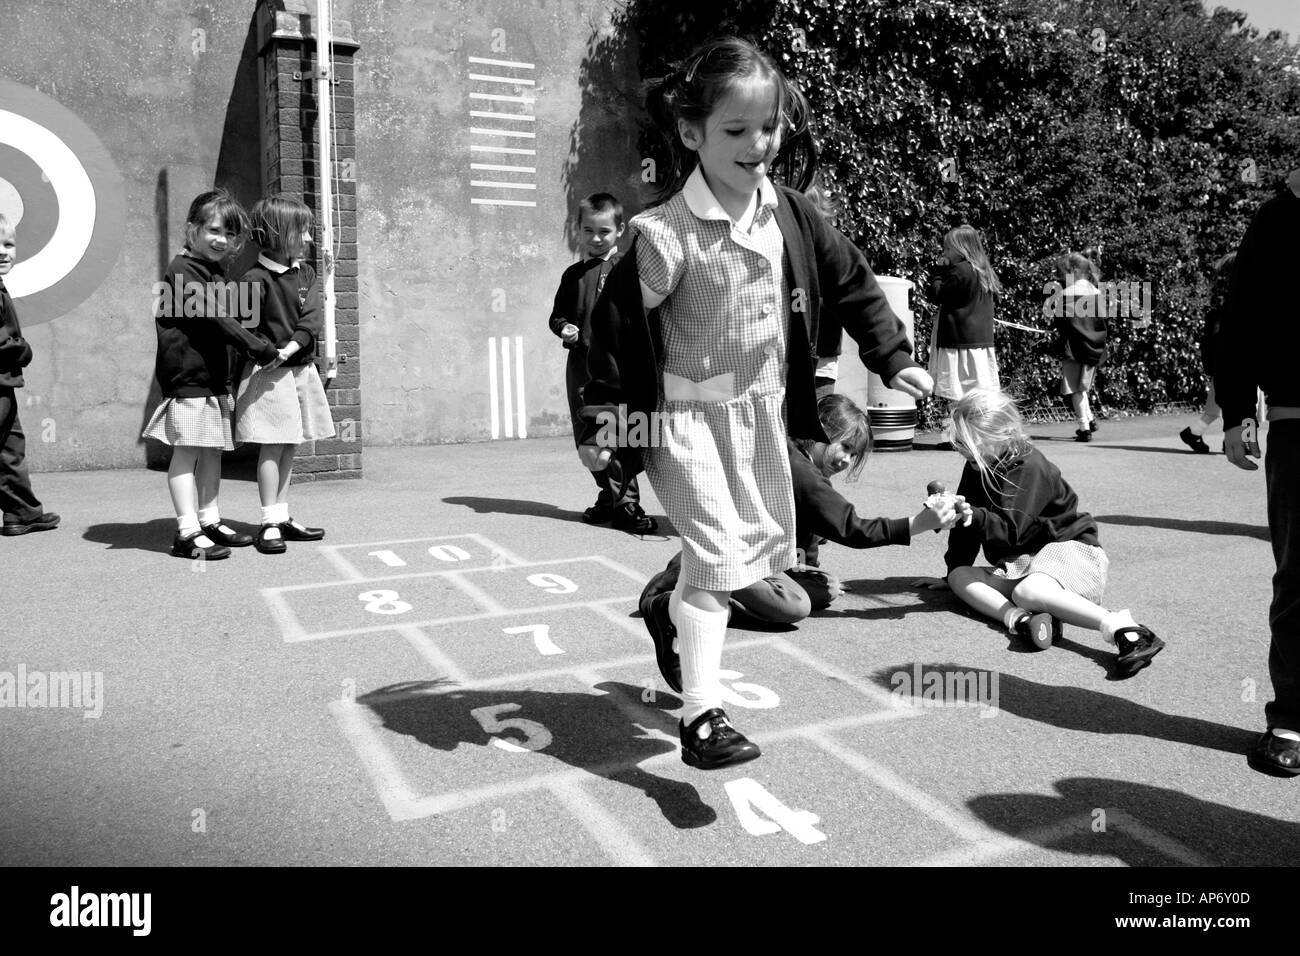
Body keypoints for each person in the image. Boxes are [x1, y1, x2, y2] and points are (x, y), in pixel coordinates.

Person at [580, 37, 933, 770]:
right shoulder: (663, 235)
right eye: (735, 131)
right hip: (684, 424)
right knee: (715, 561)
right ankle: (703, 716)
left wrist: (892, 356)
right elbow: (613, 328)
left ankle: (665, 613)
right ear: (691, 134)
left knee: (739, 557)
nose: (756, 145)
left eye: (766, 128)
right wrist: (604, 419)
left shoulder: (793, 216)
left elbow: (853, 283)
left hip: (761, 419)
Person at [638, 393, 966, 637]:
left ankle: (707, 583)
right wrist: (918, 524)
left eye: (854, 455)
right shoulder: (803, 473)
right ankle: (694, 578)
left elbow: (812, 536)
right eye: (845, 447)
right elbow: (854, 529)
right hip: (739, 550)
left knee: (826, 588)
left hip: (748, 547)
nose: (847, 461)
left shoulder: (794, 454)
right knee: (795, 605)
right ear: (820, 429)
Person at [925, 388, 1164, 676]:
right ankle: (1024, 621)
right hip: (1025, 561)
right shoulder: (978, 462)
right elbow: (969, 528)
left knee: (1028, 590)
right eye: (961, 442)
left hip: (1071, 550)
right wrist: (953, 566)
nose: (962, 449)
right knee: (959, 577)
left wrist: (970, 515)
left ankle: (1125, 629)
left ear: (1005, 433)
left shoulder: (1029, 465)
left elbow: (1010, 530)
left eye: (970, 441)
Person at [1215, 167, 1300, 777]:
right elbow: (1238, 322)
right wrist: (1238, 412)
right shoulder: (1275, 220)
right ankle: (1293, 719)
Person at [142, 190, 281, 559]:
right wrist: (259, 347)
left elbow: (234, 319)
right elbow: (217, 320)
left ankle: (209, 520)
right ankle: (186, 532)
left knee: (212, 452)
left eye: (231, 234)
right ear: (192, 230)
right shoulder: (182, 270)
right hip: (188, 380)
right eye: (214, 230)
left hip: (214, 380)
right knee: (187, 453)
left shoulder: (215, 271)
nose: (222, 240)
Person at [234, 195, 335, 554]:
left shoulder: (305, 273)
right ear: (277, 234)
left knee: (290, 443)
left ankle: (282, 513)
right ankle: (268, 522)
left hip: (297, 368)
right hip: (268, 375)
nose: (309, 239)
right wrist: (266, 352)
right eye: (302, 232)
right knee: (273, 445)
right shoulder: (252, 278)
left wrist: (291, 349)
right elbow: (243, 328)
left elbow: (312, 317)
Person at [548, 192, 655, 533]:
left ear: (619, 230)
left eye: (604, 231)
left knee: (617, 435)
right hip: (580, 367)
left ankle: (627, 503)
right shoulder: (572, 275)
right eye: (589, 231)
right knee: (587, 439)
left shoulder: (628, 269)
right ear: (578, 231)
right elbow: (556, 316)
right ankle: (607, 497)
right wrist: (563, 327)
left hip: (616, 368)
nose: (596, 238)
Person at [0, 213, 60, 537]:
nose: (3, 252)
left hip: (3, 385)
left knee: (10, 449)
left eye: (8, 244)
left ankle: (21, 514)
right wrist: (20, 350)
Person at [927, 224, 1001, 410]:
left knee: (957, 393)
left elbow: (938, 295)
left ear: (961, 249)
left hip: (958, 341)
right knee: (978, 394)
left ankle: (957, 435)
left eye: (948, 248)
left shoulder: (959, 270)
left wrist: (937, 274)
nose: (945, 253)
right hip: (980, 343)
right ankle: (977, 433)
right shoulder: (984, 271)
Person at [1053, 251, 1107, 442]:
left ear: (1073, 271)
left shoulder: (1065, 295)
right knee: (1083, 388)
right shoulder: (1096, 292)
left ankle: (1084, 428)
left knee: (1075, 390)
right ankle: (1090, 420)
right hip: (1094, 347)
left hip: (1073, 349)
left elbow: (1060, 323)